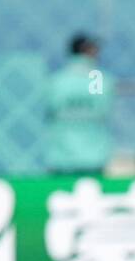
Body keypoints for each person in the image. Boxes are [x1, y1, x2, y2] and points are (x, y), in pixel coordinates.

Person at [44, 34, 114, 175]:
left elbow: (49, 110)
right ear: (87, 51)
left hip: (61, 157)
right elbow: (103, 109)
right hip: (94, 157)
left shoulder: (57, 80)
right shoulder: (97, 79)